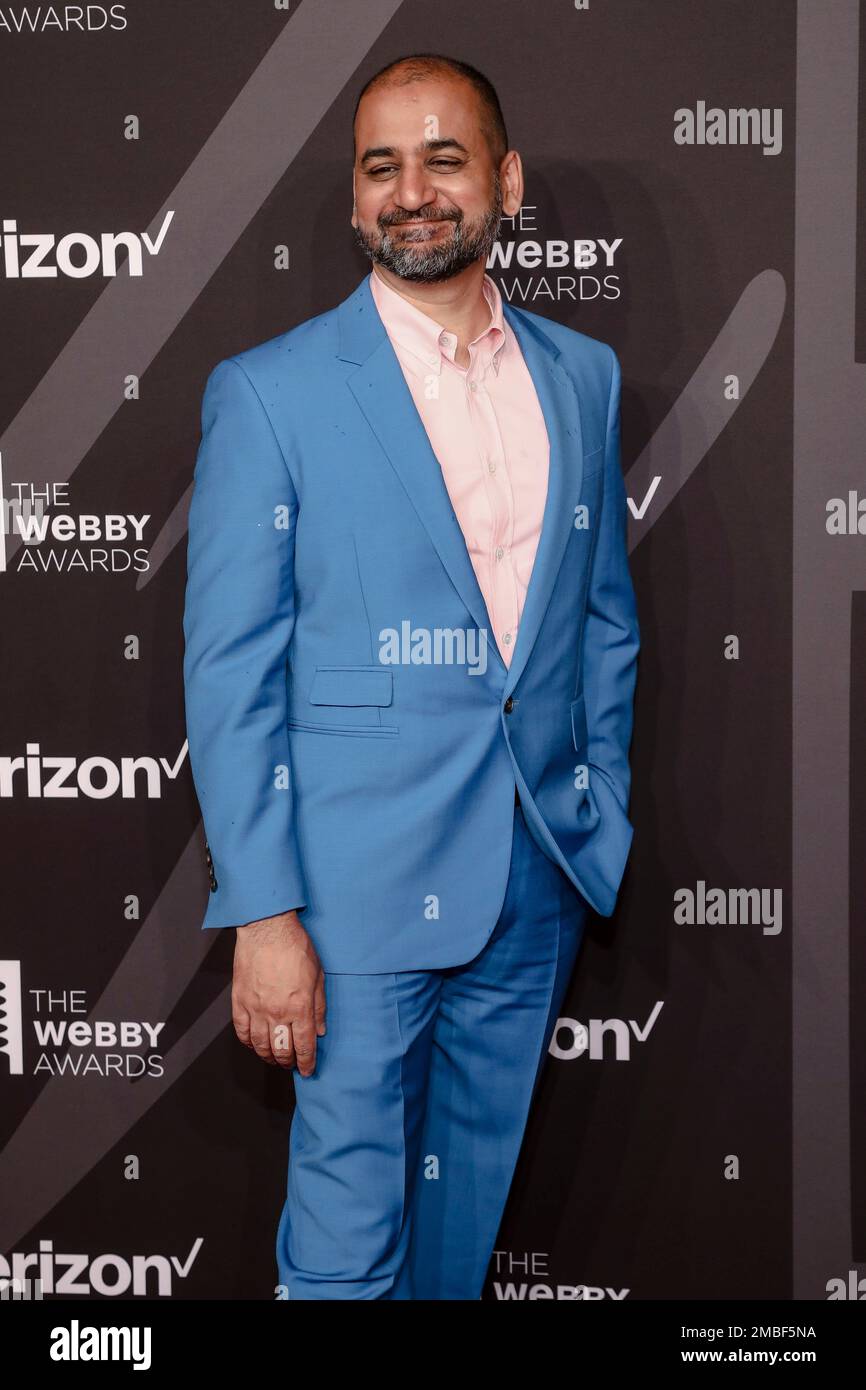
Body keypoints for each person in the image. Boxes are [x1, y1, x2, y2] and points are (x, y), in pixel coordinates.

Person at [182, 51, 640, 1301]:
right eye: (381, 166)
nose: (412, 192)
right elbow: (231, 673)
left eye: (443, 159)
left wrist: (593, 803)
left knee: (457, 1241)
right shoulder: (269, 395)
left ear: (504, 180)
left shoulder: (580, 378)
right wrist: (264, 912)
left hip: (529, 875)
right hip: (349, 898)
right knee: (345, 1253)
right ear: (351, 198)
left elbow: (599, 619)